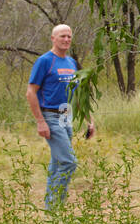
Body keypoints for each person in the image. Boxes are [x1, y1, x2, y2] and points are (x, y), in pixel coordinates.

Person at [26, 24, 94, 210]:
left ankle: (51, 208)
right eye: (62, 36)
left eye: (69, 37)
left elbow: (78, 94)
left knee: (57, 162)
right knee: (69, 162)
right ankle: (55, 207)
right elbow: (31, 93)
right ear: (53, 38)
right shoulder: (45, 61)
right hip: (50, 116)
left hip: (66, 115)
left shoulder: (71, 63)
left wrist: (89, 120)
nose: (66, 40)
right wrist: (41, 122)